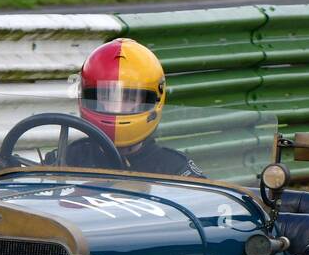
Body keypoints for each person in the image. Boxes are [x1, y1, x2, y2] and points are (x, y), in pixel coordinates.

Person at [48, 38, 204, 178]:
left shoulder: (174, 169)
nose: (117, 107)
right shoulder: (67, 159)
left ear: (152, 100)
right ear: (89, 97)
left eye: (129, 98)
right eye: (107, 96)